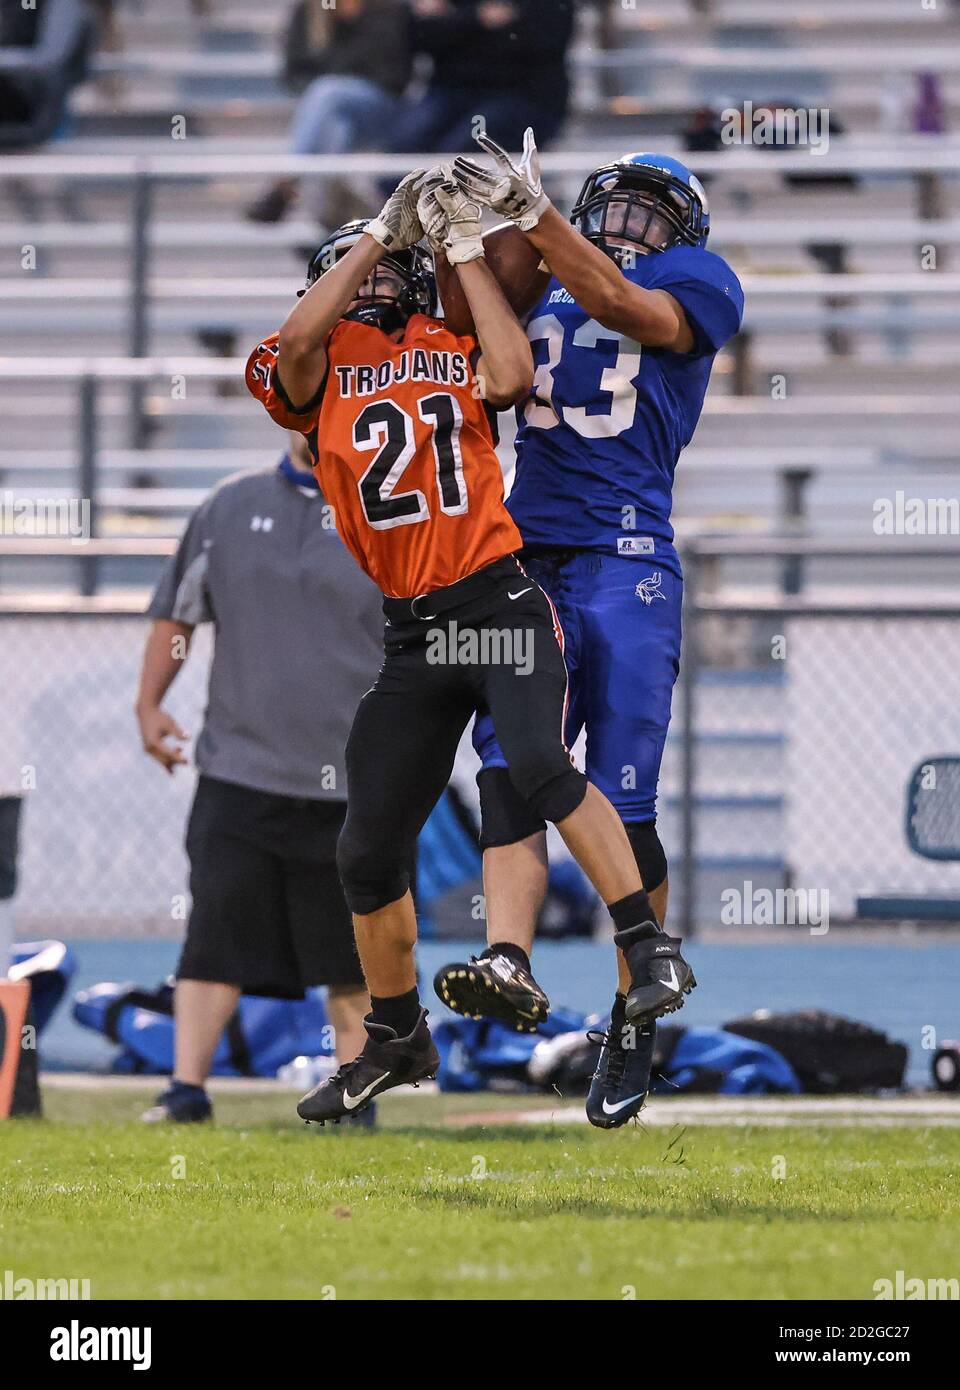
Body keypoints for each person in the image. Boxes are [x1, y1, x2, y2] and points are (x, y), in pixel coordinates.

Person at [245, 170, 696, 1127]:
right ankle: (398, 1035)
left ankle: (646, 945)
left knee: (535, 766)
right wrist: (374, 234)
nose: (361, 290)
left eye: (373, 277)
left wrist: (453, 245)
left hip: (498, 598)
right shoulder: (314, 366)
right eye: (344, 279)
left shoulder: (445, 336)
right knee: (367, 849)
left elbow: (511, 374)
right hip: (414, 631)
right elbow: (292, 341)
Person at [432, 132, 744, 1127]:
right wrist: (461, 234)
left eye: (654, 212)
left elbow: (622, 305)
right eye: (619, 206)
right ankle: (508, 956)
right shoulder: (546, 270)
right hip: (529, 558)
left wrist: (538, 219)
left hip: (629, 559)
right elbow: (460, 329)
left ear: (686, 229)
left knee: (623, 797)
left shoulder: (698, 280)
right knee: (515, 762)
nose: (633, 224)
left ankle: (633, 1016)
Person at [134, 432, 384, 1123]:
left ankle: (355, 1094)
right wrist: (150, 702)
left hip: (353, 780)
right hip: (238, 769)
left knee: (353, 953)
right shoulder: (227, 507)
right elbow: (178, 616)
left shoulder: (391, 507)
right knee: (213, 935)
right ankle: (186, 1091)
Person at [246, 0, 411, 225]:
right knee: (335, 130)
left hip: (380, 107)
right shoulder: (310, 11)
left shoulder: (385, 9)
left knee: (328, 92)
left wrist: (347, 28)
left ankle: (287, 183)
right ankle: (332, 224)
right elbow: (293, 73)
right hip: (332, 111)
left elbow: (391, 75)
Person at [389, 0, 574, 158]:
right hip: (450, 92)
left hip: (522, 97)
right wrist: (478, 20)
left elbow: (536, 43)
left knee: (457, 158)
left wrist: (454, 22)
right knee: (401, 152)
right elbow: (420, 35)